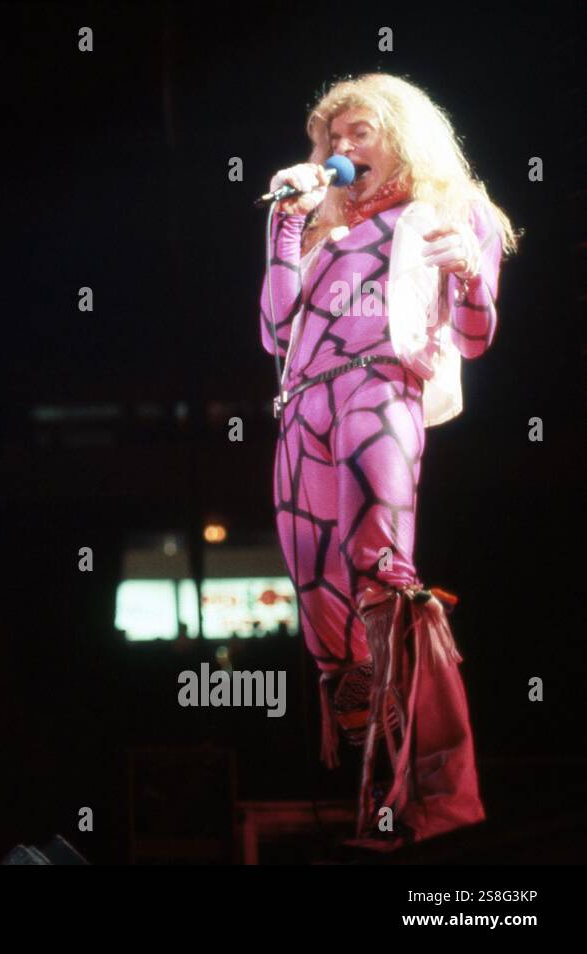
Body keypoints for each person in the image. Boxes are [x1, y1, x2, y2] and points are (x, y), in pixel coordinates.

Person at [258, 73, 519, 844]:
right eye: (331, 138)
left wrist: (468, 268)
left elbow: (474, 338)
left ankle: (442, 795)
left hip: (378, 387)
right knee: (322, 610)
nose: (341, 148)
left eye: (359, 131)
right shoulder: (319, 227)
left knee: (383, 576)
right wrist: (285, 224)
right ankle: (380, 791)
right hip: (301, 402)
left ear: (402, 132)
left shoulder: (449, 211)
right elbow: (276, 331)